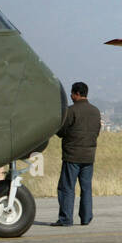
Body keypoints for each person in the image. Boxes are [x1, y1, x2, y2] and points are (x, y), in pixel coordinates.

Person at [52, 82, 101, 226]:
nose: (71, 96)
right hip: (89, 156)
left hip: (72, 156)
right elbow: (97, 131)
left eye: (72, 93)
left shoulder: (71, 111)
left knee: (67, 188)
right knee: (86, 188)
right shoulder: (95, 111)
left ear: (77, 94)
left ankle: (66, 219)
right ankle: (86, 218)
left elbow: (61, 131)